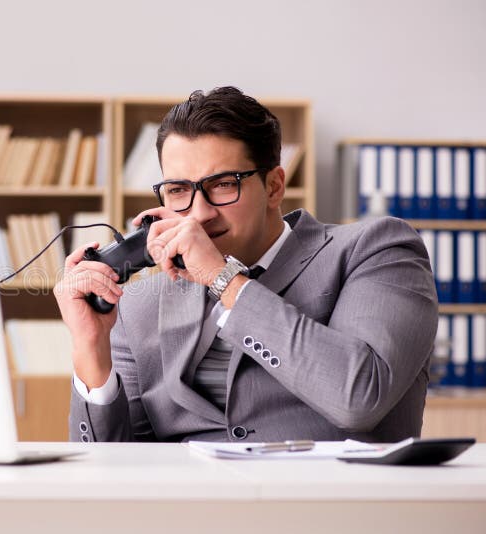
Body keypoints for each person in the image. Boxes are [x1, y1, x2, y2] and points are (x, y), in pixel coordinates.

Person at [54, 86, 438, 443]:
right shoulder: (138, 305)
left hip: (329, 507)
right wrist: (90, 348)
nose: (199, 214)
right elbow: (109, 468)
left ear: (274, 186)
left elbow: (358, 398)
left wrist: (223, 278)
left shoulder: (375, 250)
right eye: (178, 190)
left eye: (223, 184)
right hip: (189, 512)